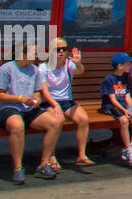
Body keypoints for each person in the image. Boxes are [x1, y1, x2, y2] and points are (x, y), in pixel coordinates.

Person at [0, 42, 64, 183]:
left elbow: (37, 91)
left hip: (28, 109)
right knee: (18, 126)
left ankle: (44, 164)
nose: (37, 55)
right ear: (23, 54)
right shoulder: (5, 69)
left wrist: (36, 98)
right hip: (7, 108)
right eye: (34, 53)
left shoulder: (34, 69)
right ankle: (18, 168)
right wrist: (20, 98)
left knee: (55, 122)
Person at [37, 37, 95, 168]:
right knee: (57, 122)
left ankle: (82, 155)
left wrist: (79, 63)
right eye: (58, 50)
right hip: (50, 102)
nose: (62, 52)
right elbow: (44, 91)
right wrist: (55, 105)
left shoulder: (69, 64)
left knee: (83, 119)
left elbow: (80, 71)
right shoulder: (43, 67)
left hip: (67, 101)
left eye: (64, 49)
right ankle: (51, 156)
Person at [99, 52, 132, 167]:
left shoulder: (125, 78)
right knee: (124, 121)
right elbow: (112, 100)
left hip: (123, 105)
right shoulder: (109, 79)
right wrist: (124, 111)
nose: (129, 66)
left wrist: (131, 108)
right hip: (111, 106)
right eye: (127, 64)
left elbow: (127, 96)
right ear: (119, 66)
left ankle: (130, 147)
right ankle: (127, 148)